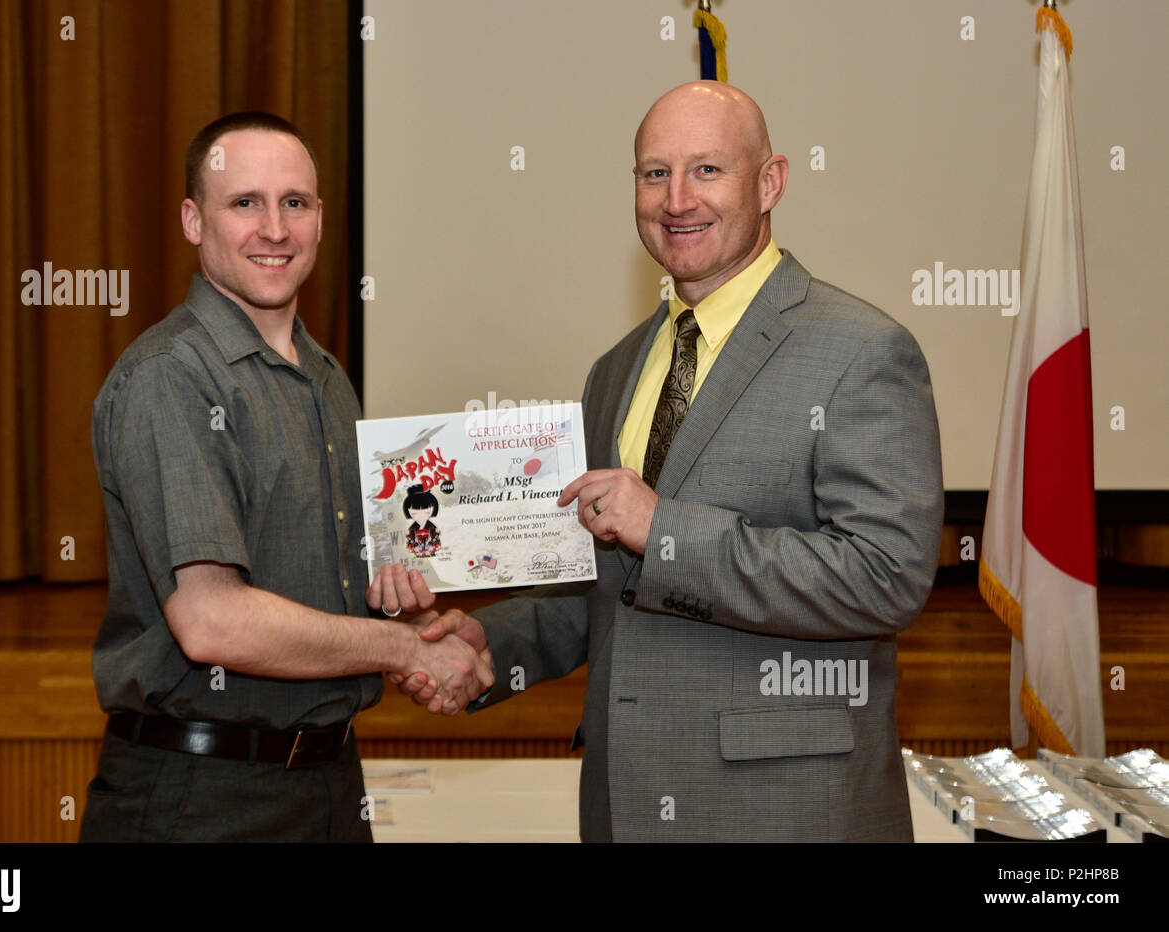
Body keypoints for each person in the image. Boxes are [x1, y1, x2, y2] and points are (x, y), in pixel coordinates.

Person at [376, 82, 944, 841]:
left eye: (707, 170)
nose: (677, 199)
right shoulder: (617, 369)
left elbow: (886, 576)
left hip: (789, 809)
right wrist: (494, 648)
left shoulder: (861, 350)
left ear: (770, 181)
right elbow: (610, 581)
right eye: (654, 174)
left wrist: (665, 527)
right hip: (626, 803)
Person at [81, 111, 492, 843]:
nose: (275, 228)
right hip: (203, 802)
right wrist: (402, 651)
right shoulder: (170, 378)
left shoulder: (327, 380)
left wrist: (411, 621)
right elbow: (212, 622)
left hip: (331, 787)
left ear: (320, 220)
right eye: (245, 203)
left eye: (294, 203)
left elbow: (317, 599)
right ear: (192, 220)